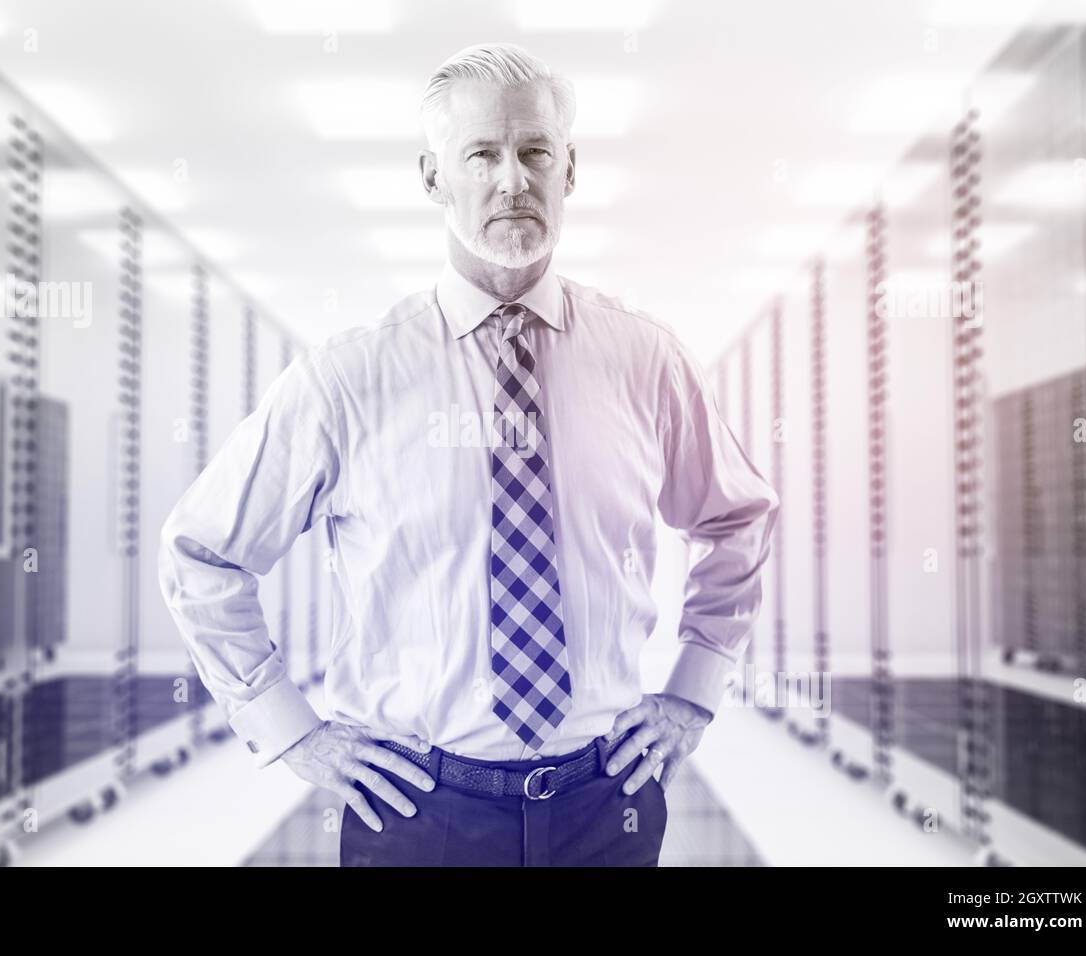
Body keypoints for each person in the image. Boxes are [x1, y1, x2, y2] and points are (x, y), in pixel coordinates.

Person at [157, 42, 780, 866]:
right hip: (417, 813)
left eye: (535, 152)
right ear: (432, 178)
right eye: (481, 154)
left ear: (569, 172)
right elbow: (201, 554)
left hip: (607, 807)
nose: (511, 179)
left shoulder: (645, 360)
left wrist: (692, 697)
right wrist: (290, 730)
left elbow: (737, 517)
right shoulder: (348, 380)